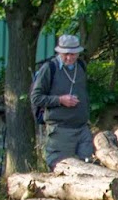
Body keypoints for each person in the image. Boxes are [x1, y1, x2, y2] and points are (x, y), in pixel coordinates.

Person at [30, 34, 94, 170]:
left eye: (73, 54)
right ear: (59, 52)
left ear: (78, 53)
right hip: (60, 131)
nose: (69, 58)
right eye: (65, 54)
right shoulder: (49, 68)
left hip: (82, 129)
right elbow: (36, 97)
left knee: (88, 170)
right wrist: (60, 100)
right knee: (62, 171)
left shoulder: (81, 66)